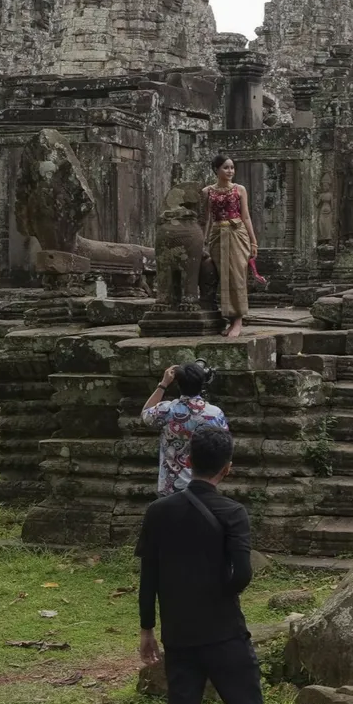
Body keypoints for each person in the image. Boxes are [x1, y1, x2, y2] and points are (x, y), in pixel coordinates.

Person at [136, 428, 263, 704]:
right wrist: (216, 594)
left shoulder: (157, 512)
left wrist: (147, 629)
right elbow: (243, 574)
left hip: (178, 635)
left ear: (188, 461)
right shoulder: (232, 513)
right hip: (224, 632)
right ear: (228, 467)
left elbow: (148, 576)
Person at [143, 360, 227, 497]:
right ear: (202, 383)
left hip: (170, 489)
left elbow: (146, 413)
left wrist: (163, 384)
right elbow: (224, 446)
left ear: (178, 383)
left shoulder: (166, 410)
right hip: (205, 486)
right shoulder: (214, 414)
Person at [204, 154, 257, 339]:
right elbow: (207, 220)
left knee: (237, 275)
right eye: (226, 168)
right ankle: (228, 318)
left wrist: (253, 241)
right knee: (223, 277)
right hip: (218, 235)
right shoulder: (207, 192)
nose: (230, 171)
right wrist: (204, 241)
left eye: (232, 168)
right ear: (216, 170)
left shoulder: (239, 189)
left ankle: (238, 321)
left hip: (237, 233)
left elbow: (246, 216)